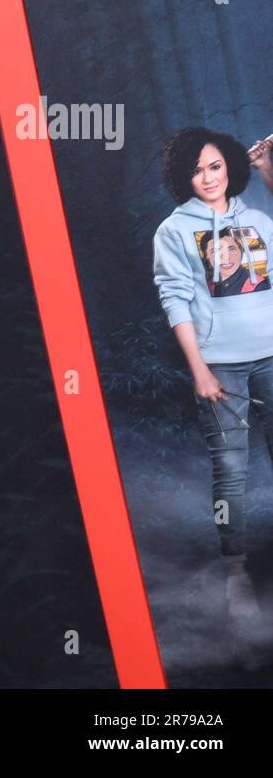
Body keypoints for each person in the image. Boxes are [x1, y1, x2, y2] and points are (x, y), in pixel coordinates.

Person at [152, 126, 273, 620]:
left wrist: (268, 172)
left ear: (231, 167)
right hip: (221, 367)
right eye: (197, 170)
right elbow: (173, 297)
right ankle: (236, 573)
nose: (208, 178)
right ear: (184, 177)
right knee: (232, 470)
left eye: (216, 166)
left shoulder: (258, 218)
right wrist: (199, 368)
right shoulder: (174, 231)